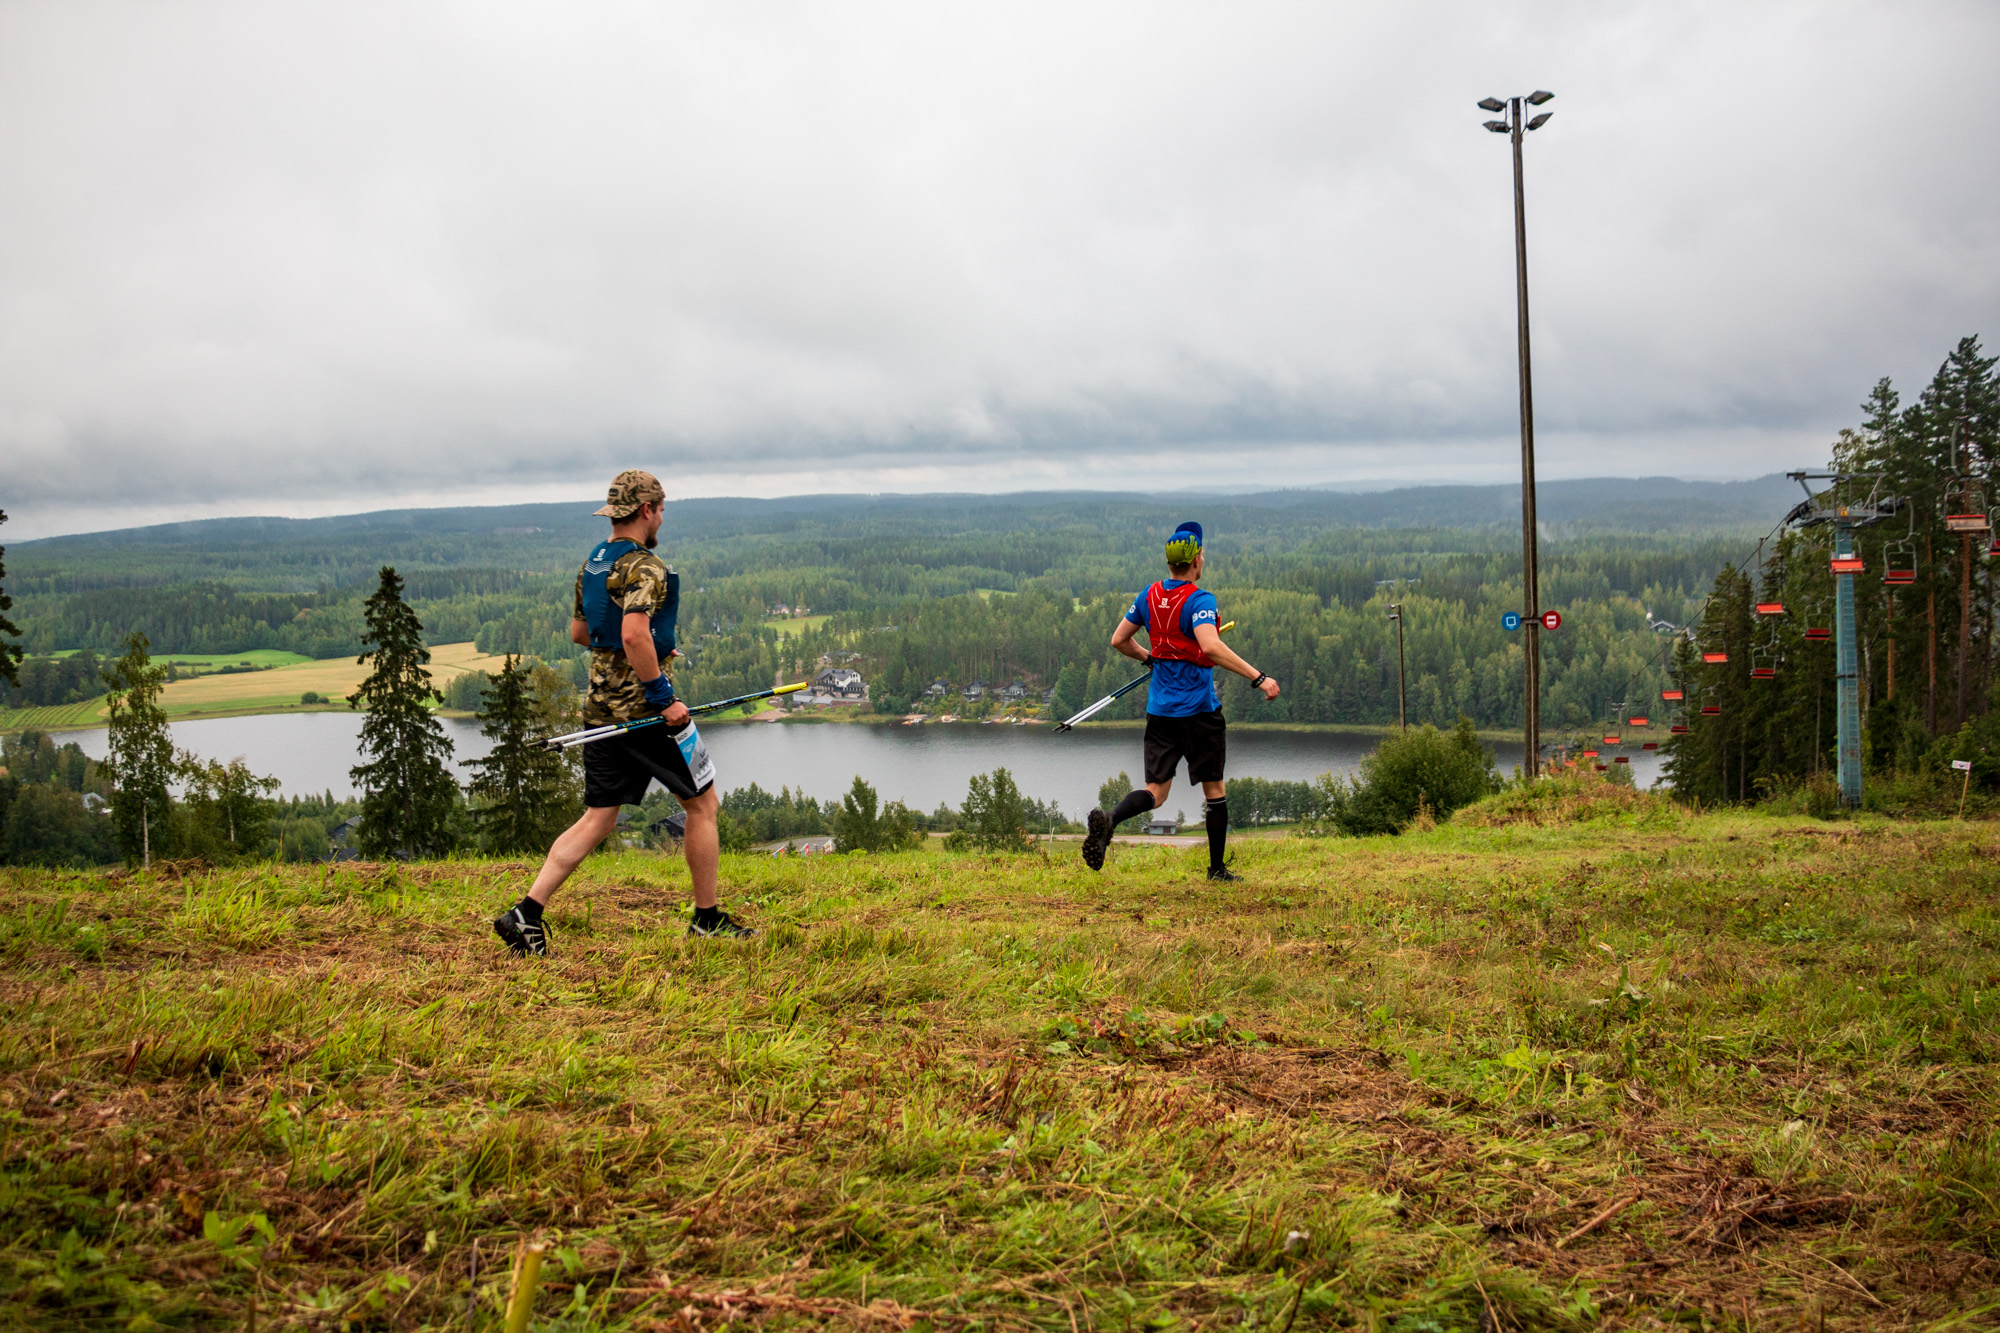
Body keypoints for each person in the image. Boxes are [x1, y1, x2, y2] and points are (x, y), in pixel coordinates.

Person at [493, 469, 755, 955]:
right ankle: (707, 920)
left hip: (599, 712)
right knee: (703, 805)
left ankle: (527, 913)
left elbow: (582, 633)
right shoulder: (645, 566)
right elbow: (633, 634)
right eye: (660, 511)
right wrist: (663, 696)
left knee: (599, 817)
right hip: (646, 715)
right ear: (646, 511)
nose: (660, 520)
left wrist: (647, 648)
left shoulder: (594, 563)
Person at [1081, 521, 1279, 880]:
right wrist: (1259, 678)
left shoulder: (1149, 595)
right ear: (1196, 561)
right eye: (1202, 555)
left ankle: (1111, 820)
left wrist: (1149, 658)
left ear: (1169, 563)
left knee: (1156, 792)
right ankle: (1217, 870)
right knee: (1214, 789)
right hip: (1200, 712)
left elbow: (1119, 640)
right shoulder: (1200, 600)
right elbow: (1211, 646)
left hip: (1160, 712)